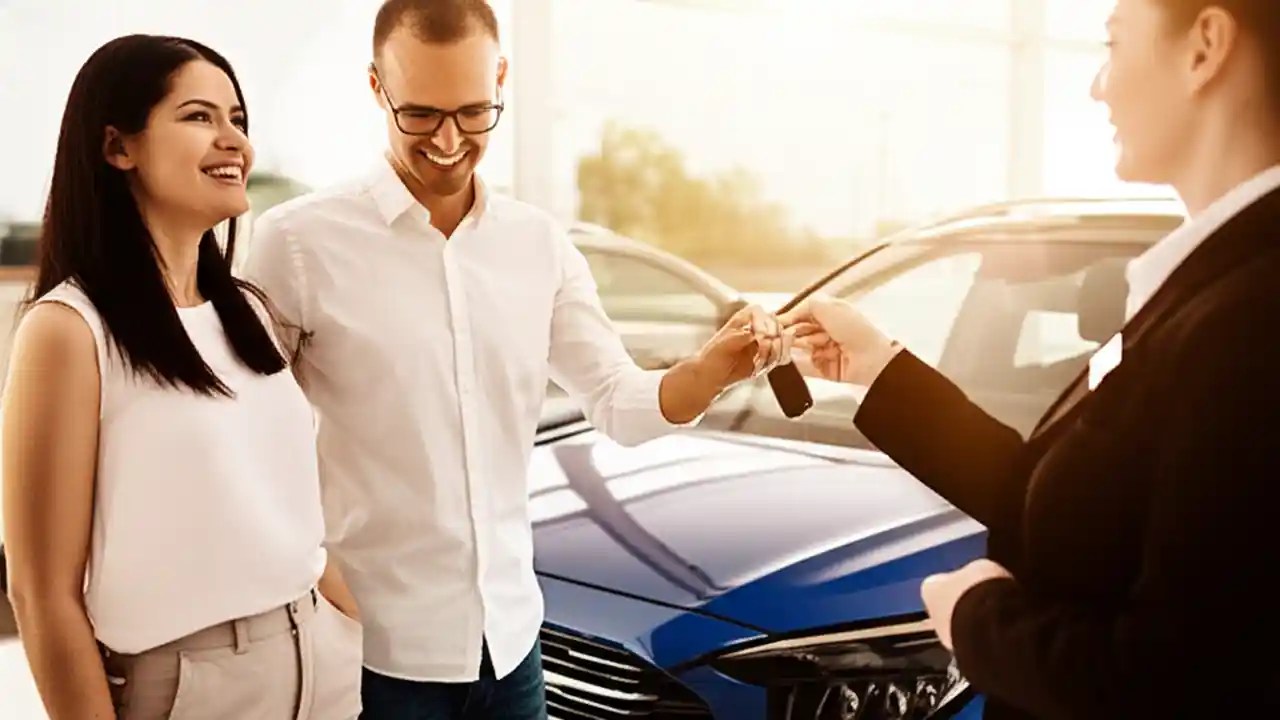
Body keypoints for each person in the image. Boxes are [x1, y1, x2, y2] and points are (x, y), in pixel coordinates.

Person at [238, 1, 785, 718]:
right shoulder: (297, 244)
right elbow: (244, 443)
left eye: (473, 112)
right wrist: (315, 574)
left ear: (500, 79)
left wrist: (713, 368)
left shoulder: (538, 244)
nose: (448, 140)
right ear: (377, 89)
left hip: (513, 652)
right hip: (373, 657)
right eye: (420, 114)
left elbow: (620, 403)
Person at [780, 0, 1280, 718]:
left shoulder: (1250, 318)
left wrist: (977, 619)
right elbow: (1072, 504)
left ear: (1204, 46)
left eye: (1115, 42)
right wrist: (878, 366)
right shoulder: (1206, 290)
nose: (1097, 86)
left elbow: (1176, 681)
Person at [1, 34, 364, 719]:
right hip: (191, 690)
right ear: (117, 148)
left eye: (239, 120)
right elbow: (41, 594)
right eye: (200, 117)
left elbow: (287, 507)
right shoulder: (68, 331)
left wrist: (352, 625)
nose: (234, 141)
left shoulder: (251, 312)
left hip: (328, 664)